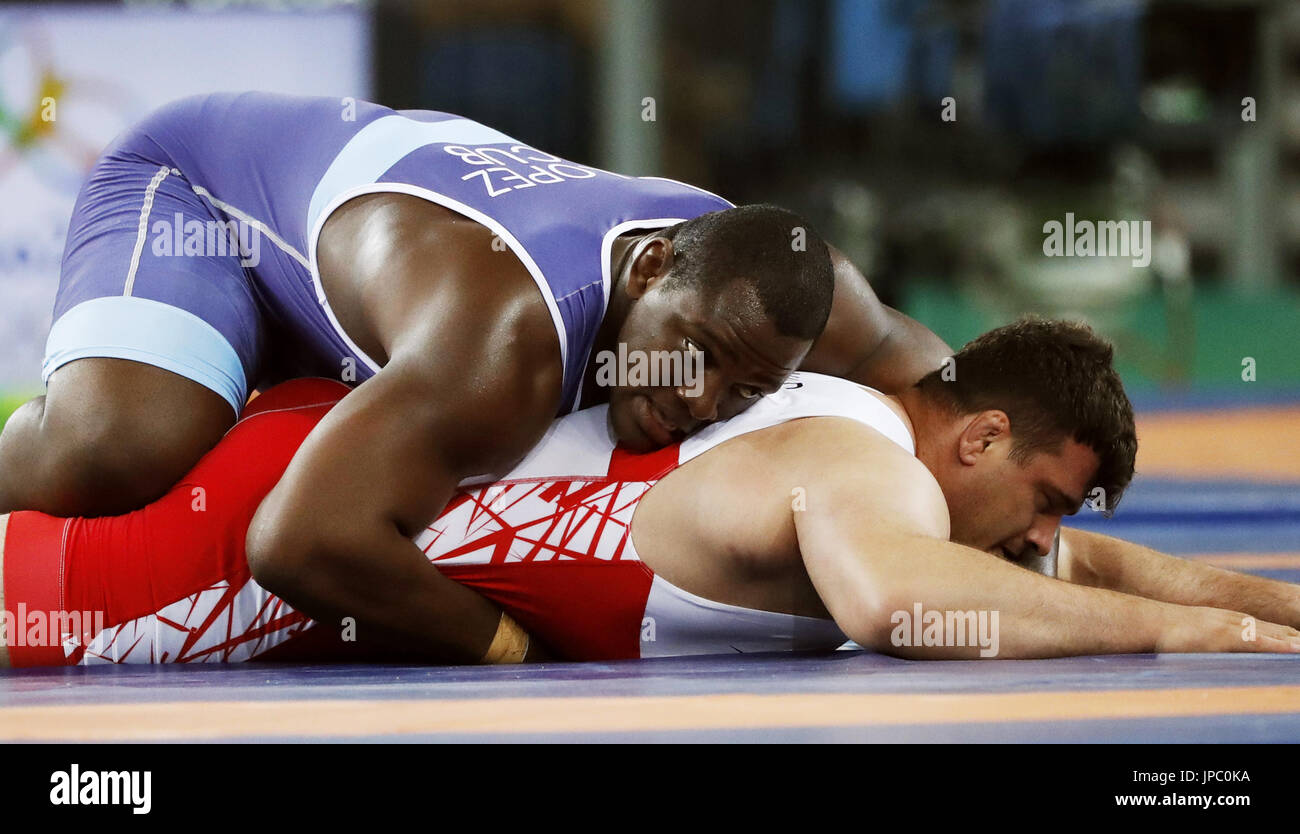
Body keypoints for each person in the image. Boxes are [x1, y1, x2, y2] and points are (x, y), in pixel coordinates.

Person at [0, 93, 950, 663]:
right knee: (124, 448)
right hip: (200, 190)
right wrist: (518, 650)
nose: (700, 399)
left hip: (377, 245)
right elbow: (295, 542)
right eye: (694, 354)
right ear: (651, 270)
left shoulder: (782, 284)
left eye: (742, 390)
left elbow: (950, 388)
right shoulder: (510, 346)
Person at [3, 318, 1295, 667]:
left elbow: (1060, 571)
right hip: (233, 549)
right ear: (982, 435)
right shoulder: (862, 471)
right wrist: (1198, 634)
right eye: (1045, 497)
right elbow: (896, 600)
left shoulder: (858, 430)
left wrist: (1267, 608)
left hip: (316, 461)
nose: (1043, 541)